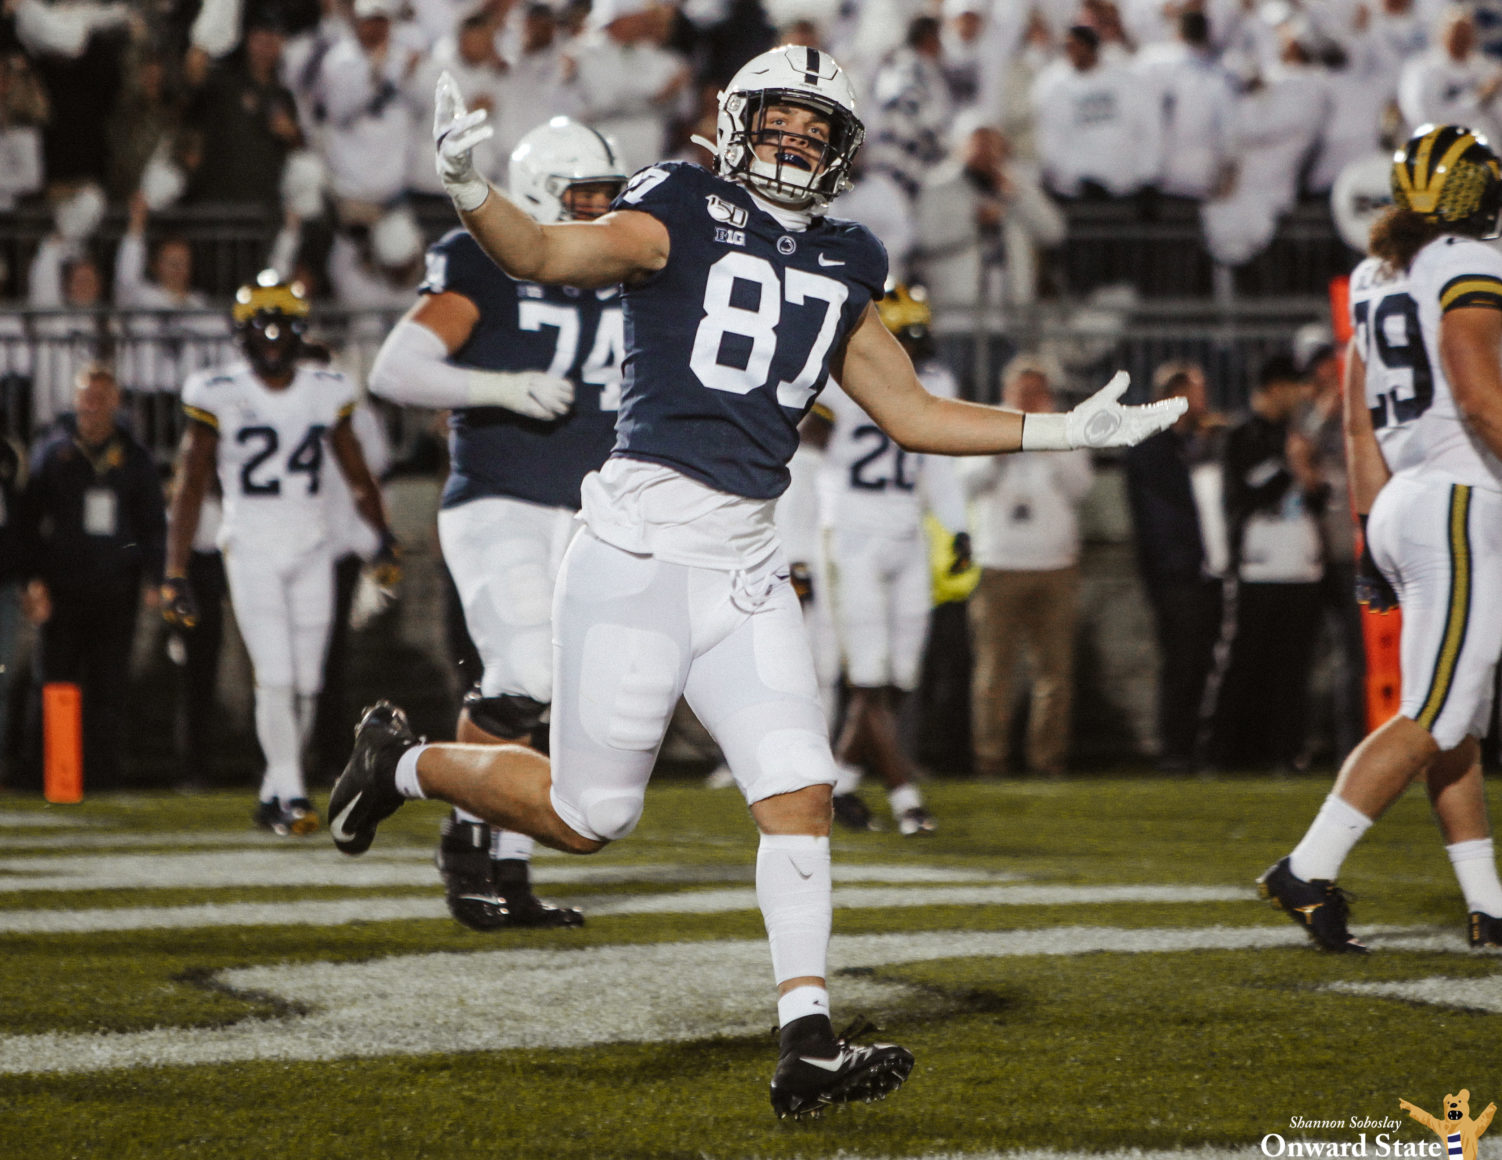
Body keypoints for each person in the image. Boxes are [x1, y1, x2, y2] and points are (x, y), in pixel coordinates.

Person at [328, 46, 1184, 1117]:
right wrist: (470, 189)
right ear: (735, 121)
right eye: (778, 119)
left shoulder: (846, 256)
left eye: (814, 128)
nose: (792, 140)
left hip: (744, 565)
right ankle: (401, 761)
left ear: (840, 151)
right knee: (590, 815)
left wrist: (1060, 428)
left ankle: (805, 1038)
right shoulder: (677, 203)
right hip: (638, 551)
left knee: (800, 795)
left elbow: (910, 411)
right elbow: (545, 249)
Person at [368, 115, 629, 931]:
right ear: (542, 197)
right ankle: (460, 832)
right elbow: (395, 367)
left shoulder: (628, 268)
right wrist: (501, 388)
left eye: (605, 195)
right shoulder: (484, 259)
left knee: (556, 689)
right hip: (501, 497)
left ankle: (505, 871)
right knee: (526, 673)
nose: (598, 210)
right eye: (582, 196)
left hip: (589, 508)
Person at [1259, 123, 1502, 954]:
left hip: (1403, 500)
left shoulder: (1373, 273)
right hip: (1462, 499)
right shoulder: (1468, 263)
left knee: (1457, 715)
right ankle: (1306, 867)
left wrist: (1369, 532)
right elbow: (1475, 397)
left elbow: (1358, 424)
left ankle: (1488, 904)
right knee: (1436, 712)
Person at [161, 273, 399, 835]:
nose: (272, 338)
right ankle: (292, 794)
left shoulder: (325, 388)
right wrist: (174, 569)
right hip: (250, 548)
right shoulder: (217, 390)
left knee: (309, 680)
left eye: (282, 327)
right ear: (242, 334)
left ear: (299, 332)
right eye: (262, 328)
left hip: (313, 546)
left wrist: (382, 538)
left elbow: (358, 474)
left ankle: (275, 788)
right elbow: (190, 483)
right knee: (275, 674)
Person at [810, 284, 968, 835]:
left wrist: (959, 526)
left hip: (908, 534)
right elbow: (808, 434)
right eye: (907, 338)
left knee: (899, 679)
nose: (917, 354)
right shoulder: (838, 372)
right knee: (870, 681)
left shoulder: (937, 379)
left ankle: (842, 783)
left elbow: (941, 465)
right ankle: (906, 798)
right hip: (852, 533)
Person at [15, 364, 166, 791]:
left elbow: (151, 523)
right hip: (63, 587)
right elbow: (29, 521)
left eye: (102, 398)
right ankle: (54, 776)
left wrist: (156, 577)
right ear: (76, 399)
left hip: (116, 588)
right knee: (56, 683)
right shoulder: (53, 451)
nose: (93, 406)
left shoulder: (134, 457)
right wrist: (32, 579)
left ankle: (101, 778)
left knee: (109, 686)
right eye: (87, 396)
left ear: (116, 402)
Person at [961, 356, 1094, 778]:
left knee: (1054, 672)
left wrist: (1048, 437)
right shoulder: (987, 424)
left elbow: (1082, 487)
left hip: (1055, 565)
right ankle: (991, 758)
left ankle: (1047, 759)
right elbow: (966, 482)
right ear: (1007, 392)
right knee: (993, 673)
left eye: (1037, 391)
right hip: (998, 564)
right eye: (1022, 391)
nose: (1029, 399)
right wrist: (1006, 443)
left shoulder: (1065, 428)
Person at [1208, 353, 1327, 772]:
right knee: (1244, 663)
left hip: (1302, 565)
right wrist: (1289, 466)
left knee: (1292, 668)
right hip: (1258, 567)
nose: (1302, 394)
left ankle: (1285, 751)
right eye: (1296, 385)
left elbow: (1318, 499)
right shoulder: (1240, 435)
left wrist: (1309, 476)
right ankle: (1225, 753)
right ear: (1276, 386)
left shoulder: (1299, 433)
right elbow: (1245, 497)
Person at [1123, 361, 1227, 771]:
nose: (1203, 402)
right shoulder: (1152, 445)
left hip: (1204, 567)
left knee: (1204, 662)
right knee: (1182, 662)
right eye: (1195, 392)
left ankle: (1198, 745)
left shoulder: (1197, 442)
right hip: (1176, 571)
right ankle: (1176, 747)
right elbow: (1163, 514)